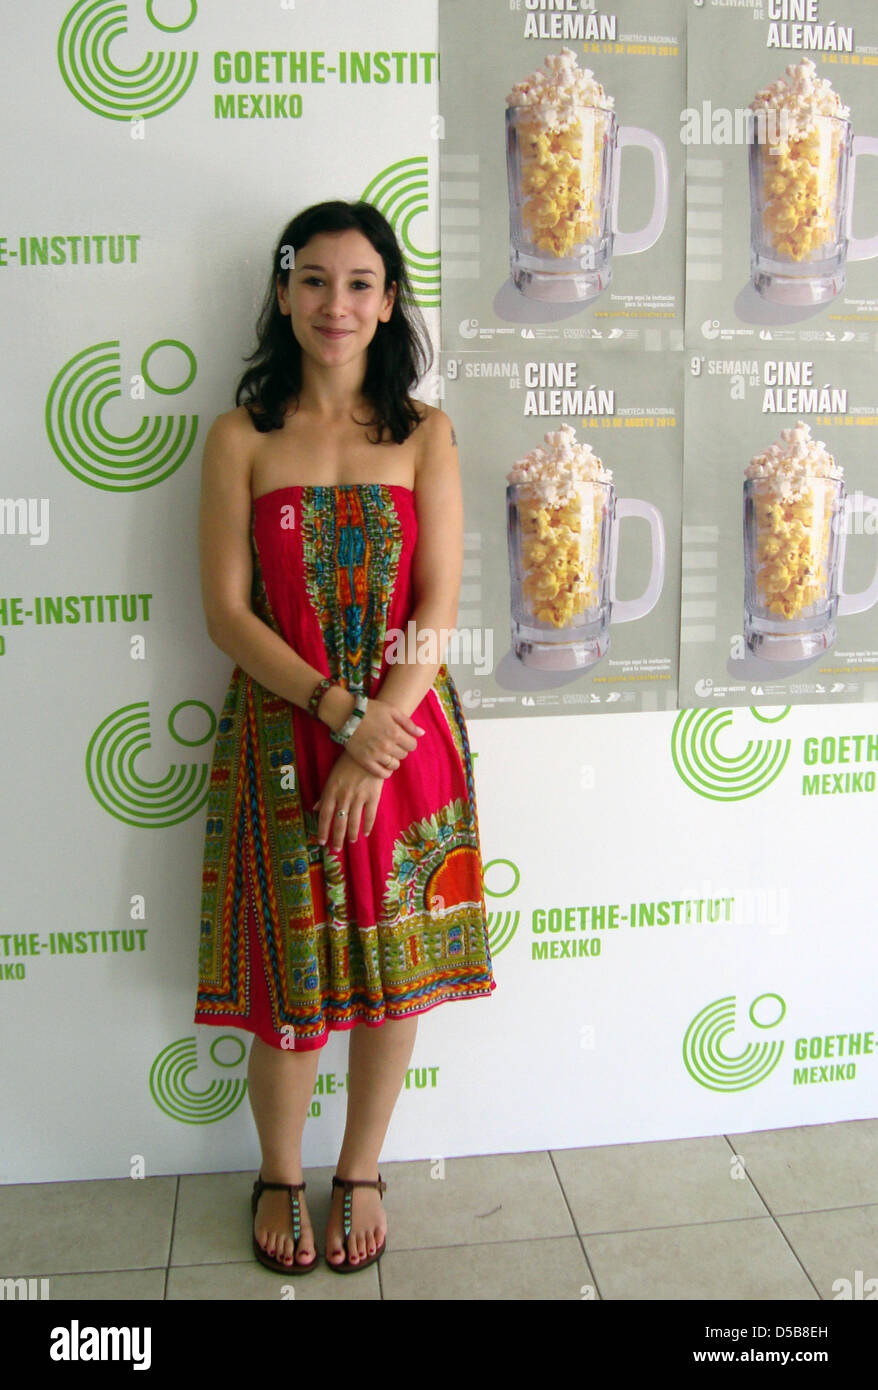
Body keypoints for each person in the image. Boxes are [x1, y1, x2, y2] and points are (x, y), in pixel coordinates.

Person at [193, 200, 496, 1275]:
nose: (336, 302)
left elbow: (439, 599)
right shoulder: (240, 435)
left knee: (391, 962)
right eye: (313, 279)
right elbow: (227, 614)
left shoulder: (425, 431)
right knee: (289, 971)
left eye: (359, 281)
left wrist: (383, 729)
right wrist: (339, 714)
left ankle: (359, 1165)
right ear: (282, 293)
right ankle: (279, 1169)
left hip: (405, 737)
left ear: (389, 299)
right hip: (286, 735)